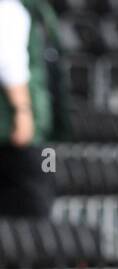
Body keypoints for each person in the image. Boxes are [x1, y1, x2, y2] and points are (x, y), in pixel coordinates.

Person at [0, 0, 56, 217]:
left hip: (35, 136)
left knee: (47, 168)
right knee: (35, 202)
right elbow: (8, 62)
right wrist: (23, 112)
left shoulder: (33, 8)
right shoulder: (11, 6)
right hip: (18, 133)